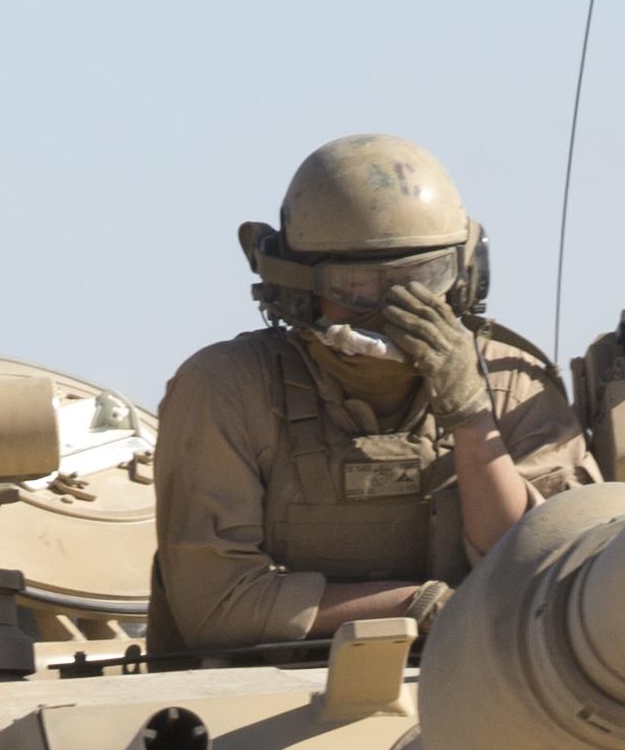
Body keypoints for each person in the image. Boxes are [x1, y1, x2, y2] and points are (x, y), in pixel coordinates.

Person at [145, 137, 597, 660]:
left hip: (481, 696)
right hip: (263, 707)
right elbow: (217, 607)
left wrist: (472, 417)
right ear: (296, 288)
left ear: (465, 277)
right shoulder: (228, 390)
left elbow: (547, 579)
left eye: (424, 280)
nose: (394, 310)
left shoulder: (513, 384)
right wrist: (415, 607)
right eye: (358, 287)